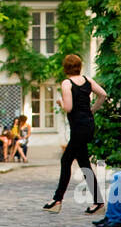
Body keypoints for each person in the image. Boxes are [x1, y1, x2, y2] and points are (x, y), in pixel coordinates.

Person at [42, 54, 108, 214]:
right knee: (84, 163)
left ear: (65, 68)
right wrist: (92, 109)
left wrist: (60, 102)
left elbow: (69, 107)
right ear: (79, 66)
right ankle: (97, 202)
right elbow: (103, 95)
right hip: (89, 125)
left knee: (66, 161)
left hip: (78, 127)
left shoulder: (67, 83)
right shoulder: (87, 80)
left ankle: (57, 200)